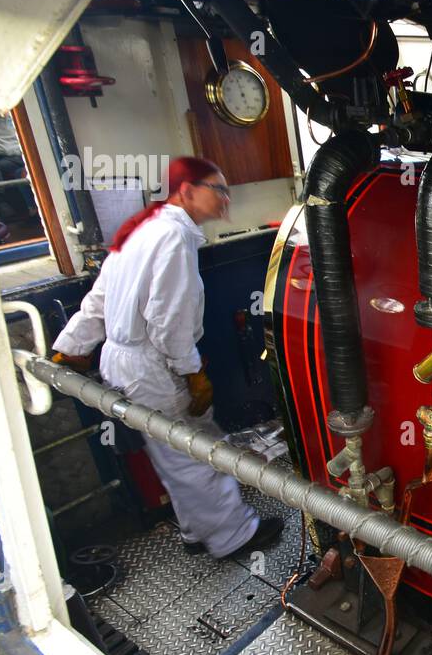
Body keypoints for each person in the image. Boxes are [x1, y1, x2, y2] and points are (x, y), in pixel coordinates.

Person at [51, 157, 283, 558]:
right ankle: (233, 536)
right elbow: (169, 321)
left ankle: (196, 530)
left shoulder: (142, 229)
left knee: (171, 453)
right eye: (219, 190)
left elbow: (98, 301)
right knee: (196, 451)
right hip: (152, 366)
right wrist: (192, 373)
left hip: (120, 362)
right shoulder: (173, 238)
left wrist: (70, 347)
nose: (226, 200)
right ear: (188, 191)